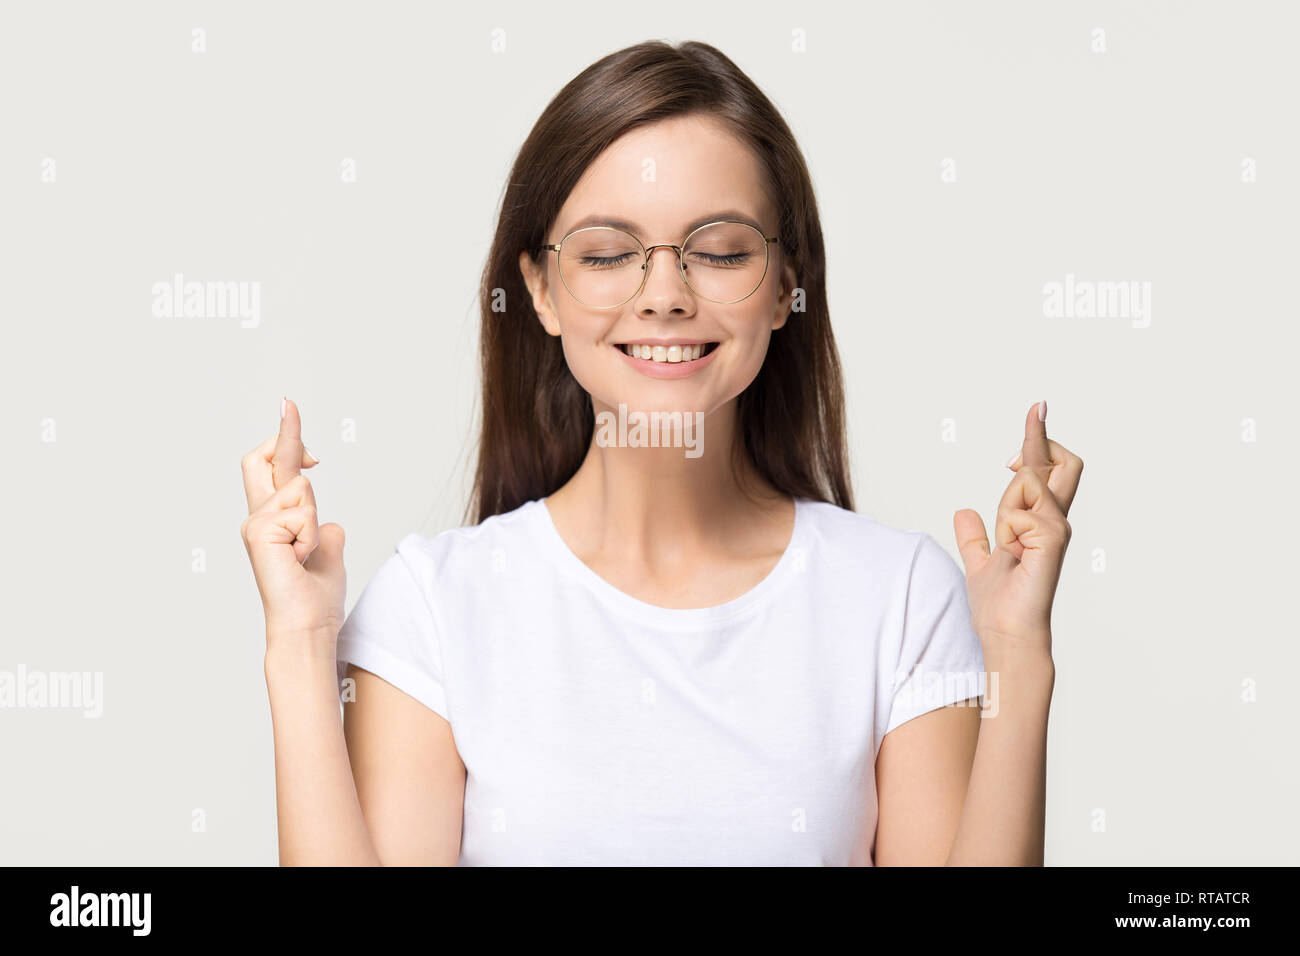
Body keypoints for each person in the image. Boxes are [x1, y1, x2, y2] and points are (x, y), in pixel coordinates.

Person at [239, 40, 1082, 866]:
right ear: (538, 289)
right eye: (608, 255)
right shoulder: (432, 609)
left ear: (790, 284)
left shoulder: (899, 598)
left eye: (719, 253)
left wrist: (1016, 652)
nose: (666, 297)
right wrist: (300, 645)